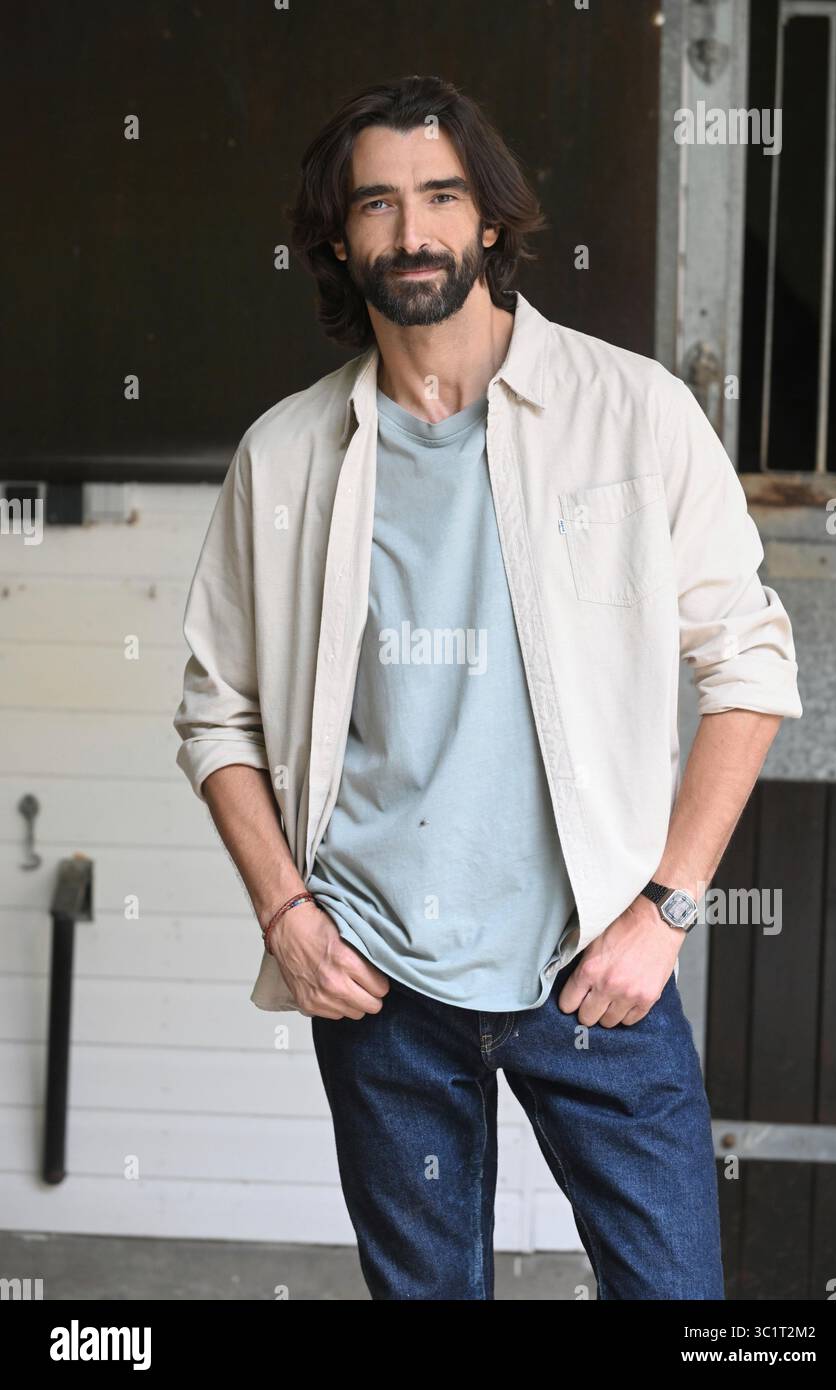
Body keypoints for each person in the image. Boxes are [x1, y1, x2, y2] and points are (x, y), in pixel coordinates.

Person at [173, 75, 803, 1299]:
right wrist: (285, 915)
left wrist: (665, 912)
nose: (411, 231)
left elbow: (750, 666)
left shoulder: (630, 413)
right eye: (377, 204)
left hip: (594, 966)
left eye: (440, 197)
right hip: (379, 983)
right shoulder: (288, 455)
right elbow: (214, 712)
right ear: (337, 235)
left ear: (491, 223)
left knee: (679, 1299)